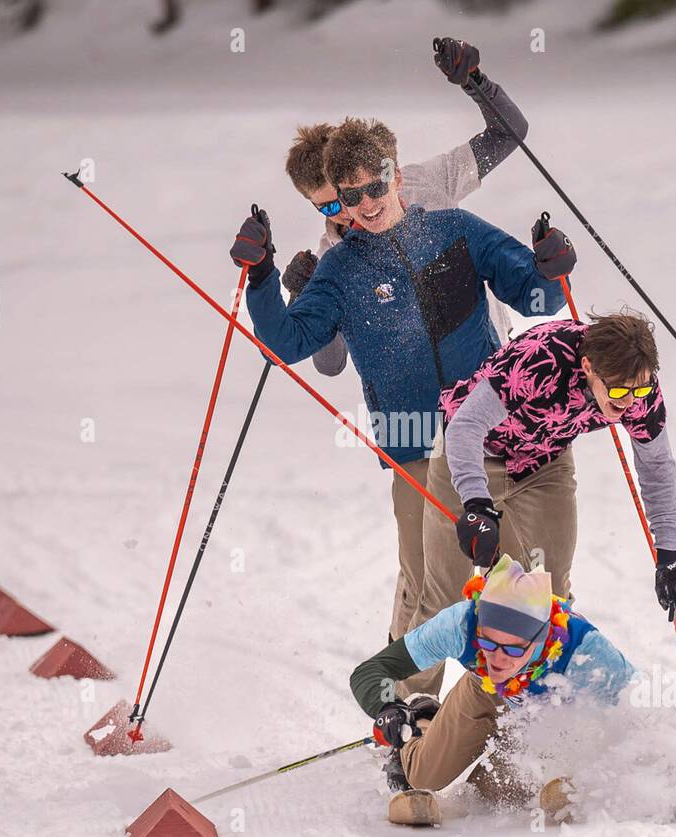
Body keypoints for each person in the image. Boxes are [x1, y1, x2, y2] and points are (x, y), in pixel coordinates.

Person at [230, 116, 577, 643]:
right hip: (414, 442)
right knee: (429, 590)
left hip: (492, 433)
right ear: (339, 201)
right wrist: (261, 275)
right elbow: (284, 344)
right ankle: (405, 711)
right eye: (352, 196)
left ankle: (530, 704)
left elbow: (538, 299)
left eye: (375, 186)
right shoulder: (339, 269)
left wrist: (552, 268)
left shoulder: (455, 230)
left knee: (523, 584)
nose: (367, 204)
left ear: (396, 176)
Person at [413, 310, 676, 634]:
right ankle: (400, 685)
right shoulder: (542, 358)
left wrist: (670, 558)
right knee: (443, 600)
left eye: (638, 390)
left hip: (544, 463)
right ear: (588, 367)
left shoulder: (639, 388)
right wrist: (476, 503)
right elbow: (466, 426)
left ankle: (521, 681)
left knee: (548, 598)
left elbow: (656, 465)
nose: (629, 402)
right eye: (619, 391)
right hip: (474, 453)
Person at [281, 37, 529, 376]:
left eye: (347, 194)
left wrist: (474, 81)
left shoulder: (424, 182)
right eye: (327, 208)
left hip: (490, 370)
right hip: (417, 407)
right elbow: (331, 364)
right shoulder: (332, 258)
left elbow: (508, 132)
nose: (350, 209)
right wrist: (301, 294)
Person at [348, 554, 635, 825]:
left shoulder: (586, 653)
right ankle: (422, 718)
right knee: (426, 775)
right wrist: (388, 707)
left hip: (548, 712)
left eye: (512, 648)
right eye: (487, 643)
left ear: (541, 637)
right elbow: (372, 671)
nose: (497, 658)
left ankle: (546, 771)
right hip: (483, 689)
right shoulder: (461, 624)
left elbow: (640, 715)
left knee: (497, 794)